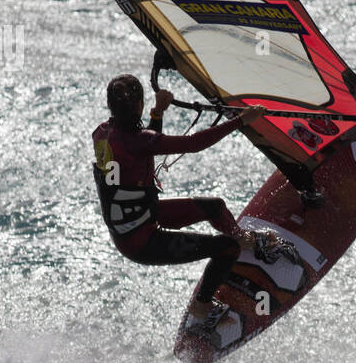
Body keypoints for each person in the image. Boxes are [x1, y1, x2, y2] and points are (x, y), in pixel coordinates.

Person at [92, 73, 272, 343]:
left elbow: (143, 149)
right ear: (139, 105)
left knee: (215, 207)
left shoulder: (102, 134)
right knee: (225, 249)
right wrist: (240, 121)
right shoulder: (138, 140)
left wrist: (158, 112)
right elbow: (192, 144)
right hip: (139, 241)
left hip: (141, 218)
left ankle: (243, 240)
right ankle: (203, 306)